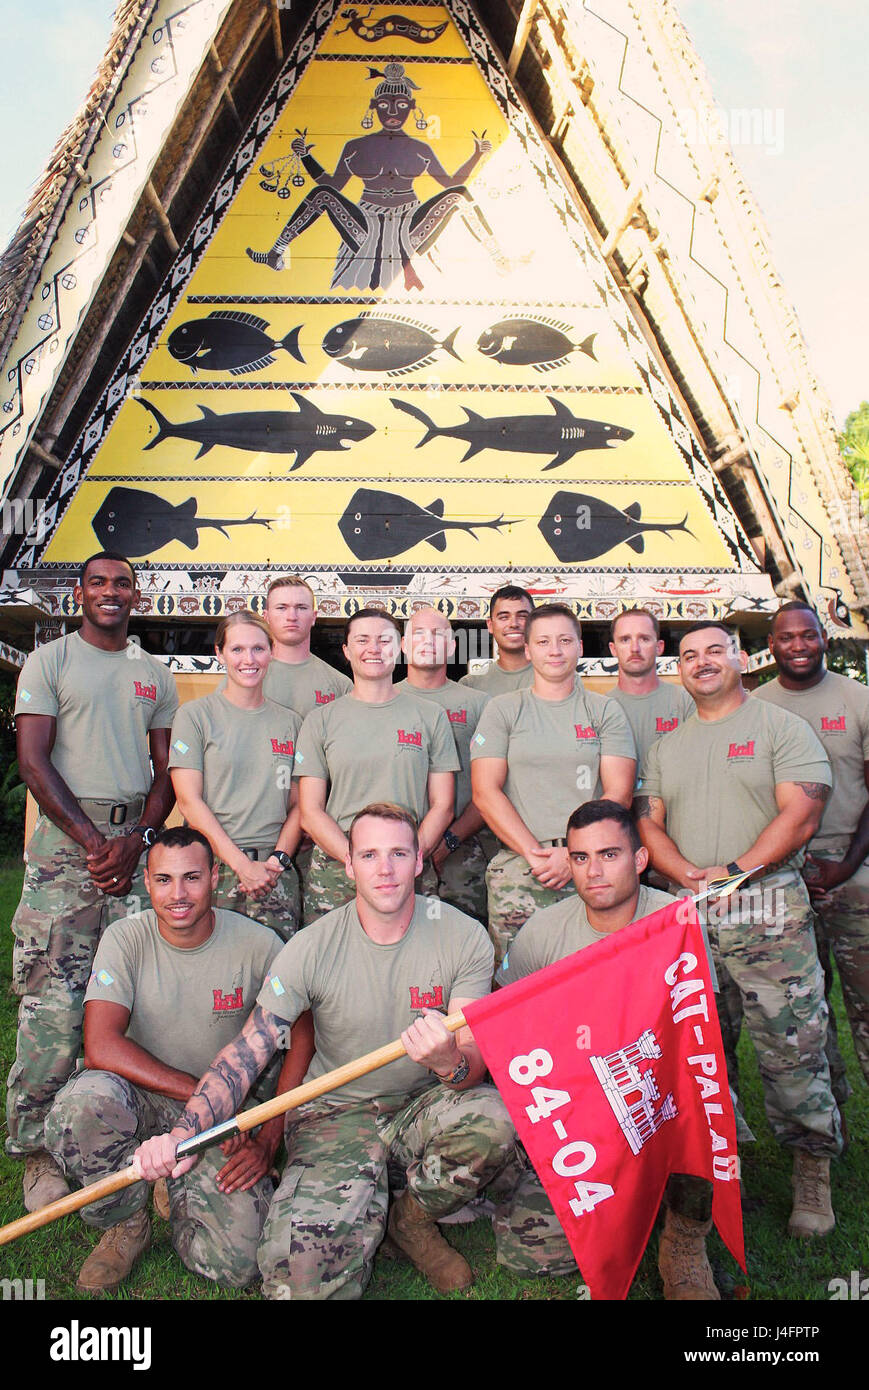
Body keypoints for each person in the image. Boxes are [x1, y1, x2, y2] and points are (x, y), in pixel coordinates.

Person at [132, 804, 516, 1300]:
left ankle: (412, 1220)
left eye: (398, 853)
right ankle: (363, 1199)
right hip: (336, 1113)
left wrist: (448, 1062)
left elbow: (471, 1065)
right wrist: (184, 1133)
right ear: (348, 864)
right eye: (370, 854)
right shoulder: (310, 947)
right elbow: (245, 1054)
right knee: (300, 1279)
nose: (384, 869)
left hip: (425, 1104)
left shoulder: (464, 936)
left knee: (495, 1118)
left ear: (419, 861)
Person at [637, 620, 843, 1236]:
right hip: (690, 915)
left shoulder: (781, 728)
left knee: (791, 1045)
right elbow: (650, 822)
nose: (702, 662)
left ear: (740, 658)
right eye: (690, 655)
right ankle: (716, 1169)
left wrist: (730, 874)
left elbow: (801, 814)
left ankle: (812, 1171)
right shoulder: (667, 746)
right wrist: (690, 879)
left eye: (714, 651)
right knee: (701, 1052)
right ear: (680, 669)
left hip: (767, 910)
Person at [494, 799, 721, 1300]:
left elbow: (701, 1041)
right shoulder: (543, 933)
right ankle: (628, 1198)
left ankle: (684, 1238)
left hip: (660, 1093)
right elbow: (511, 1030)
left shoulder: (678, 924)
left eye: (609, 855)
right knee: (529, 1253)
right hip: (582, 1105)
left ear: (640, 860)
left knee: (703, 1102)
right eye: (579, 858)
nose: (594, 872)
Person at [7, 552, 178, 1212]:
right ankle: (36, 1148)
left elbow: (168, 773)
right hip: (65, 850)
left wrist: (137, 840)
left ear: (138, 595)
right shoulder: (51, 663)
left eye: (123, 584)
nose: (111, 592)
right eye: (99, 582)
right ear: (79, 592)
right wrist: (91, 842)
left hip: (133, 850)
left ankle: (140, 1135)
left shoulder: (153, 675)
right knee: (53, 1002)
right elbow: (33, 759)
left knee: (139, 996)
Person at [44, 828, 285, 1294]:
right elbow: (101, 1045)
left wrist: (270, 1134)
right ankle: (126, 1219)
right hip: (145, 1098)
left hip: (219, 1115)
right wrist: (203, 1094)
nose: (178, 894)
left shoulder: (259, 945)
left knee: (238, 1264)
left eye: (192, 878)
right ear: (147, 883)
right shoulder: (124, 938)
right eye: (164, 880)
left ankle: (178, 1192)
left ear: (215, 877)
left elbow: (304, 1037)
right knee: (80, 1109)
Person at [471, 603, 636, 966]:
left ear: (579, 646)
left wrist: (575, 855)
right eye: (543, 642)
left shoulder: (604, 711)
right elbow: (485, 792)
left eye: (565, 640)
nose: (555, 650)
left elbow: (619, 792)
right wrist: (534, 853)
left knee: (597, 979)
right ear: (528, 650)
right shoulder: (503, 709)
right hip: (520, 869)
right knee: (520, 988)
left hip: (592, 871)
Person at [754, 600, 869, 1101]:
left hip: (854, 862)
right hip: (781, 872)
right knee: (803, 1009)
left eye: (808, 635)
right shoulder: (754, 706)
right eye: (786, 637)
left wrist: (845, 865)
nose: (798, 646)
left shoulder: (857, 699)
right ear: (771, 643)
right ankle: (830, 1115)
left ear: (825, 636)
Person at [246, 63, 495, 292]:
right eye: (385, 105)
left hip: (410, 226)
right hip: (365, 225)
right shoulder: (356, 146)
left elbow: (450, 184)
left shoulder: (420, 149)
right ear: (374, 106)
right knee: (321, 194)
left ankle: (499, 257)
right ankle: (276, 251)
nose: (393, 112)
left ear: (412, 106)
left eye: (401, 105)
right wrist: (305, 158)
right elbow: (331, 185)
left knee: (459, 195)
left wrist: (476, 155)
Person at [295, 609, 458, 922]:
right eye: (362, 640)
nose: (374, 648)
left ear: (398, 648)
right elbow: (310, 811)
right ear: (346, 650)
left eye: (384, 640)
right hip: (338, 867)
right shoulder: (321, 720)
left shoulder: (430, 715)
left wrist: (410, 858)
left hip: (407, 867)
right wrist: (356, 859)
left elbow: (443, 805)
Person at [169, 610, 301, 939]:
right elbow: (188, 801)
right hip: (213, 871)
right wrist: (242, 866)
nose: (248, 659)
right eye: (237, 649)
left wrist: (277, 861)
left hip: (274, 874)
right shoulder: (195, 716)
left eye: (258, 648)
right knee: (208, 979)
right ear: (220, 653)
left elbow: (301, 804)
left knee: (275, 982)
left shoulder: (291, 723)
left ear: (271, 652)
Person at [395, 606, 490, 921]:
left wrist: (449, 840)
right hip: (393, 854)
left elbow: (490, 786)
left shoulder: (479, 705)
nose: (428, 641)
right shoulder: (383, 700)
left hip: (461, 851)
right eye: (418, 633)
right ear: (403, 645)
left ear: (452, 646)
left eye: (438, 635)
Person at [608, 608, 695, 780]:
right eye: (625, 639)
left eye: (644, 639)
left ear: (659, 647)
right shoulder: (601, 707)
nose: (635, 648)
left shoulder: (687, 702)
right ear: (613, 649)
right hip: (618, 806)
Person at [262, 574, 351, 718]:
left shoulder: (340, 685)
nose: (291, 616)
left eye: (301, 607)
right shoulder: (246, 678)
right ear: (266, 617)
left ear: (314, 617)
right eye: (281, 608)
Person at [460, 585, 535, 696]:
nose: (513, 624)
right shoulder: (470, 685)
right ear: (490, 625)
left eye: (522, 616)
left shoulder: (557, 677)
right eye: (504, 617)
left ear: (534, 622)